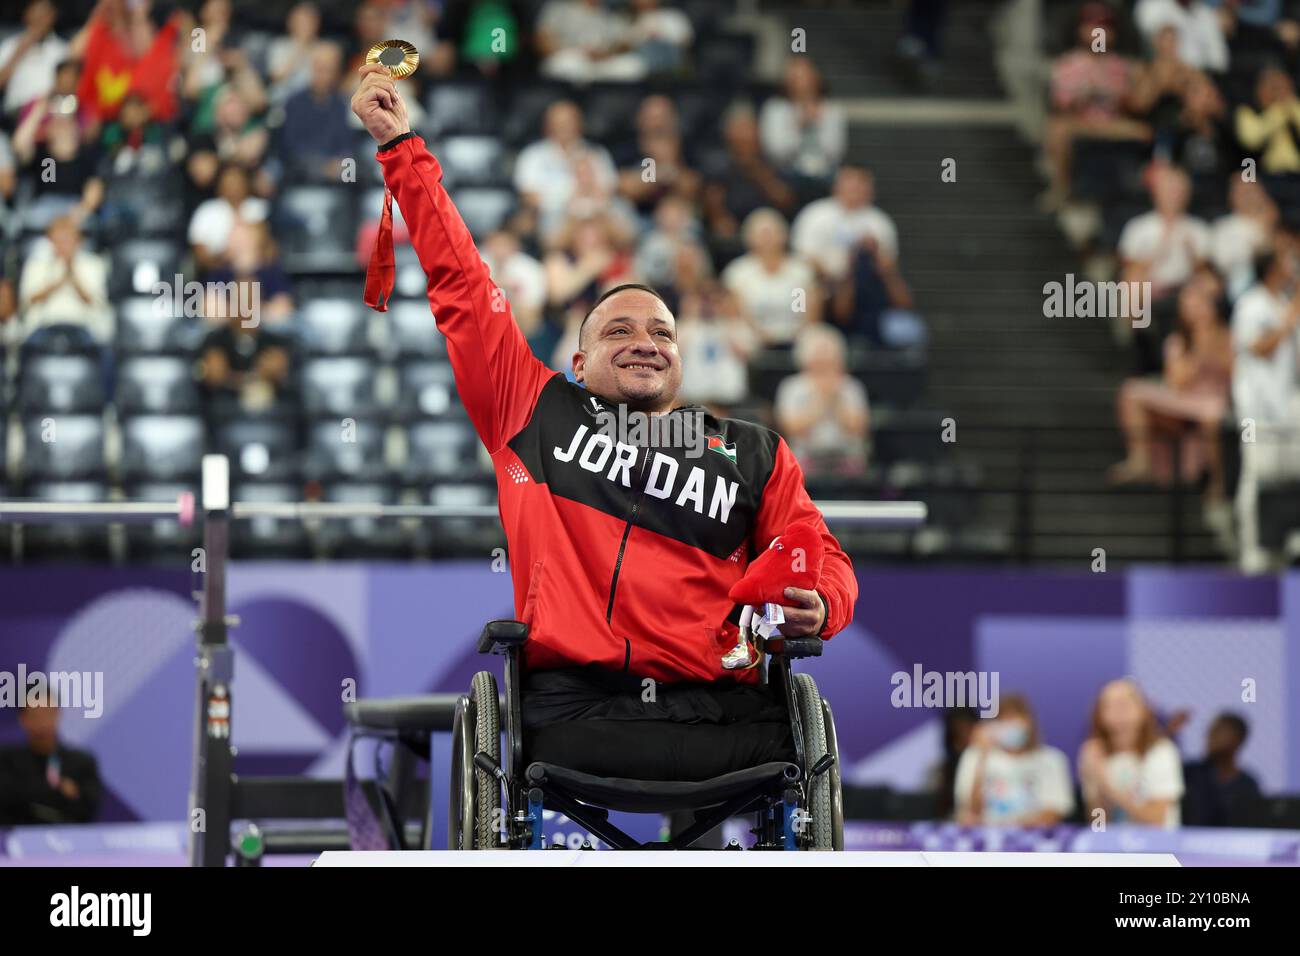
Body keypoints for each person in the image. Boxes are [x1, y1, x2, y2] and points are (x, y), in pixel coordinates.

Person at [351, 64, 857, 782]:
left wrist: (822, 602)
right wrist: (402, 147)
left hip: (723, 710)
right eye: (620, 331)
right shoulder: (530, 406)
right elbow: (463, 282)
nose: (646, 340)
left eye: (662, 332)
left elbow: (826, 557)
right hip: (572, 710)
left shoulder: (753, 453)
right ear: (579, 361)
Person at [1110, 276, 1232, 498]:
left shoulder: (1227, 338)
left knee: (1212, 415)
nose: (1194, 311)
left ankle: (1218, 482)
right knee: (1131, 391)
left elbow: (1234, 373)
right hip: (1184, 401)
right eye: (1188, 306)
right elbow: (1176, 382)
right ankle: (1140, 462)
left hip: (1214, 401)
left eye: (1199, 304)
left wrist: (1212, 344)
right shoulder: (1177, 341)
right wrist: (1199, 349)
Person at [1231, 233, 1300, 572]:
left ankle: (1286, 542)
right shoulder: (1251, 304)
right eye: (1288, 263)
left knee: (1288, 475)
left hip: (1285, 407)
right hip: (1254, 409)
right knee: (1255, 476)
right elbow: (1261, 348)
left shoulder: (1283, 303)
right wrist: (1290, 318)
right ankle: (1251, 550)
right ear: (1272, 270)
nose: (1293, 268)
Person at [1077, 678, 1185, 828]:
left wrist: (1110, 789)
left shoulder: (1162, 751)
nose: (1119, 710)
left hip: (1157, 847)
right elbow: (1098, 825)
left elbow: (1156, 820)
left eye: (1126, 702)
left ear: (1144, 709)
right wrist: (1099, 786)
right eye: (1110, 704)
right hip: (1110, 847)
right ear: (1099, 714)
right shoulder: (1094, 754)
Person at [954, 694, 1075, 827]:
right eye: (1003, 719)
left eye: (1015, 718)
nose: (1010, 725)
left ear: (1030, 722)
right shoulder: (974, 756)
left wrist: (1009, 825)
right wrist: (982, 755)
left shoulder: (1051, 759)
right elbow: (970, 811)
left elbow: (1053, 814)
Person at [774, 323, 870, 477]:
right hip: (806, 459)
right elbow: (791, 429)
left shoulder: (851, 386)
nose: (824, 359)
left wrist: (835, 398)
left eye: (828, 353)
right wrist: (821, 400)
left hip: (846, 458)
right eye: (818, 353)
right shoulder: (792, 387)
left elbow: (858, 429)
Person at [721, 207, 821, 347]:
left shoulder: (800, 271)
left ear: (783, 235)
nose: (767, 239)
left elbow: (808, 312)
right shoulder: (738, 271)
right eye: (762, 234)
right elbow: (735, 313)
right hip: (752, 334)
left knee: (815, 337)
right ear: (750, 237)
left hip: (796, 333)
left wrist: (796, 332)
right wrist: (759, 333)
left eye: (771, 233)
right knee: (735, 334)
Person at [0, 697, 101, 826]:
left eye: (48, 713)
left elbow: (86, 809)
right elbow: (7, 800)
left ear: (58, 714)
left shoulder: (80, 762)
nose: (43, 723)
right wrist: (59, 791)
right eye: (37, 715)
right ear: (23, 719)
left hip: (67, 838)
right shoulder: (7, 760)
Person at [791, 165, 899, 285]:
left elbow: (890, 265)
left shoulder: (879, 222)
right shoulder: (815, 213)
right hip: (818, 282)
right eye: (849, 180)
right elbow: (802, 256)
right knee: (799, 289)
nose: (854, 187)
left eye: (860, 181)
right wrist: (828, 276)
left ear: (870, 188)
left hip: (864, 286)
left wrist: (874, 251)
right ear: (837, 184)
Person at [16, 215, 112, 344]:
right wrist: (57, 282)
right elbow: (27, 301)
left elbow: (95, 302)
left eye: (67, 240)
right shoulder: (36, 264)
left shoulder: (93, 264)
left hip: (82, 326)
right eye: (58, 240)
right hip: (43, 326)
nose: (62, 245)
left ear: (78, 241)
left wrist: (72, 275)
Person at [1181, 712, 1262, 827]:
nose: (1209, 737)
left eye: (1218, 732)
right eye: (1210, 732)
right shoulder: (1189, 773)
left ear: (1237, 740)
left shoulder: (1248, 785)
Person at [0, 0, 68, 122]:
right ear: (26, 14)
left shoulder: (62, 50)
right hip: (14, 114)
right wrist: (19, 52)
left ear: (53, 16)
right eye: (36, 11)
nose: (40, 18)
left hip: (50, 114)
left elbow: (67, 88)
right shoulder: (9, 46)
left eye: (45, 13)